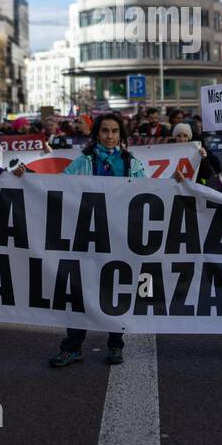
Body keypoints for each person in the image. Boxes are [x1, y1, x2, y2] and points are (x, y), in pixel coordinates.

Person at [49, 111, 145, 367]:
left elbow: (147, 192)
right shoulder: (83, 162)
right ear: (97, 134)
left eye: (115, 131)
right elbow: (58, 187)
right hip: (87, 236)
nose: (110, 136)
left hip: (119, 236)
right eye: (105, 131)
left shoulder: (131, 163)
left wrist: (178, 183)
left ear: (120, 135)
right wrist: (23, 178)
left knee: (115, 289)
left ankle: (115, 344)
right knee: (81, 290)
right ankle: (72, 347)